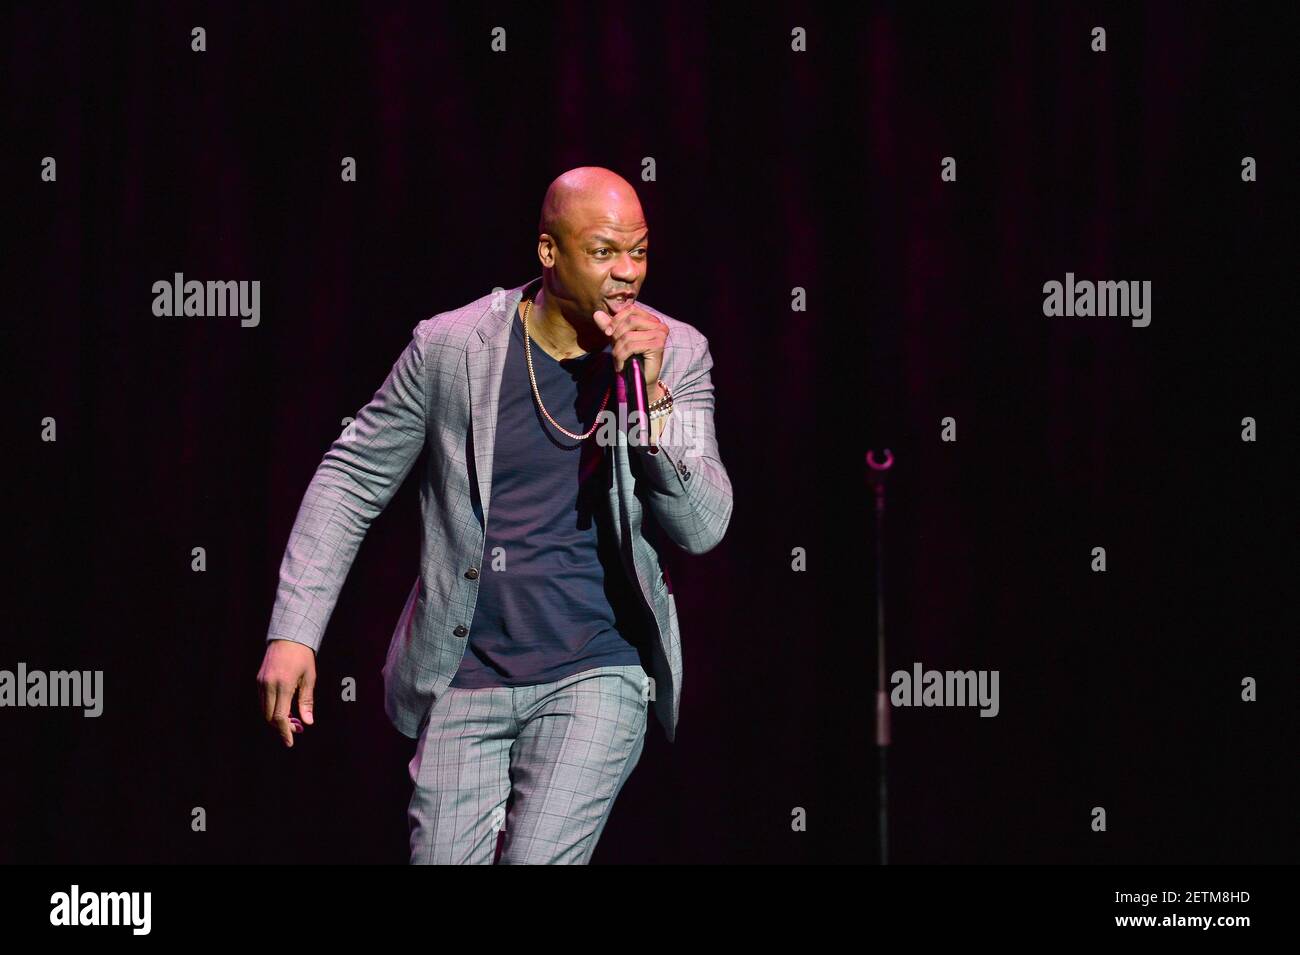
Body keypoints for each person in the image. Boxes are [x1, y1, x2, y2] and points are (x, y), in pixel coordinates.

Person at [256, 166, 733, 863]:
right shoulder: (452, 348)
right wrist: (294, 632)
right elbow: (351, 476)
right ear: (549, 252)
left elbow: (703, 524)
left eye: (640, 249)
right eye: (604, 251)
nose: (627, 272)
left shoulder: (676, 354)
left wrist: (651, 399)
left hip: (598, 668)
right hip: (464, 674)